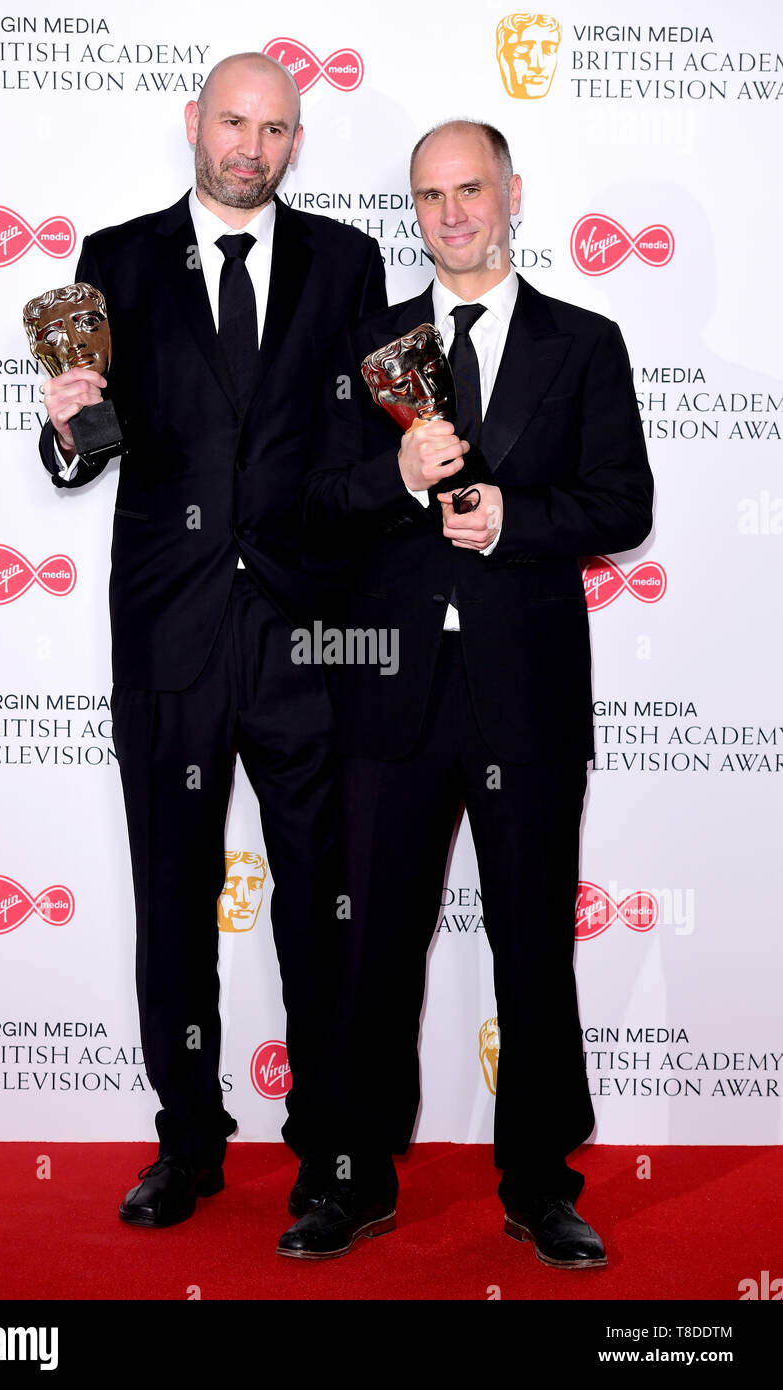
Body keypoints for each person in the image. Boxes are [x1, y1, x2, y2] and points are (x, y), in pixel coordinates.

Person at [278, 119, 653, 1265]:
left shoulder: (584, 341)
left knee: (534, 938)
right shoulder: (370, 344)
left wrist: (515, 524)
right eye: (431, 195)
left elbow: (624, 504)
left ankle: (541, 1181)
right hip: (388, 687)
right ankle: (352, 1176)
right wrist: (393, 476)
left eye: (470, 189)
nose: (451, 213)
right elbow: (313, 504)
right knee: (372, 941)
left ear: (511, 194)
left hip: (525, 686)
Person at [37, 51, 386, 1229]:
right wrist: (69, 428)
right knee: (173, 895)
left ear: (297, 140)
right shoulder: (119, 260)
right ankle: (187, 1139)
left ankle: (334, 1152)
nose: (251, 147)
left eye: (275, 129)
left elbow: (368, 458)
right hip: (173, 636)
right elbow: (88, 444)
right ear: (194, 122)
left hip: (310, 639)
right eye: (234, 122)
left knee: (320, 902)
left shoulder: (348, 263)